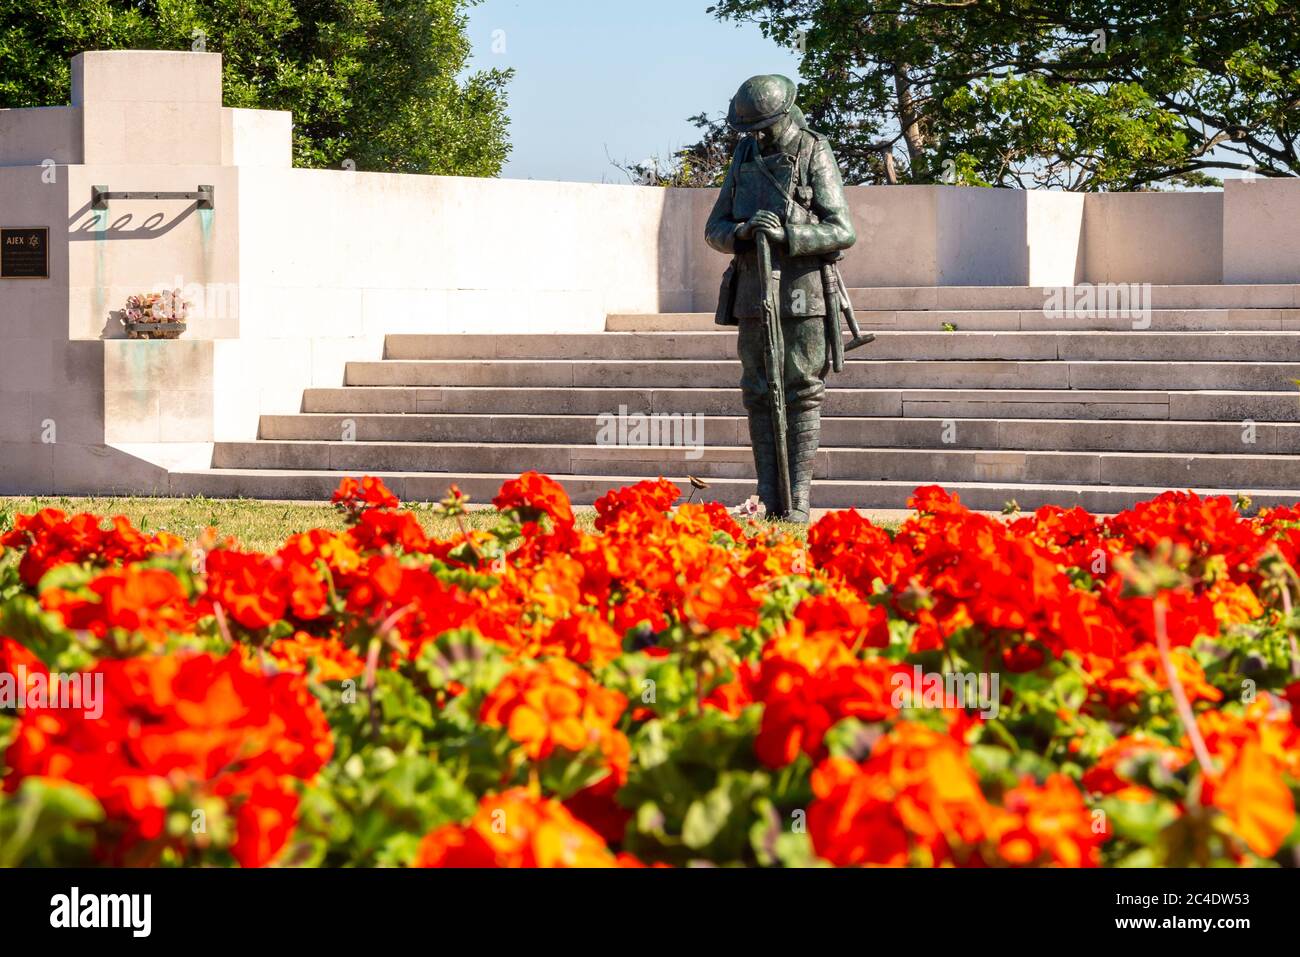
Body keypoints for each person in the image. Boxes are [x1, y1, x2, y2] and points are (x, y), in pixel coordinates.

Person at [705, 74, 857, 523]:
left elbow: (842, 230)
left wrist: (788, 234)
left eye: (764, 126)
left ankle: (800, 500)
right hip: (754, 291)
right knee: (757, 390)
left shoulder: (814, 150)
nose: (758, 135)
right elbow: (714, 228)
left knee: (802, 390)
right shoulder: (745, 153)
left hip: (802, 292)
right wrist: (743, 231)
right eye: (751, 128)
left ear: (785, 114)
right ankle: (767, 495)